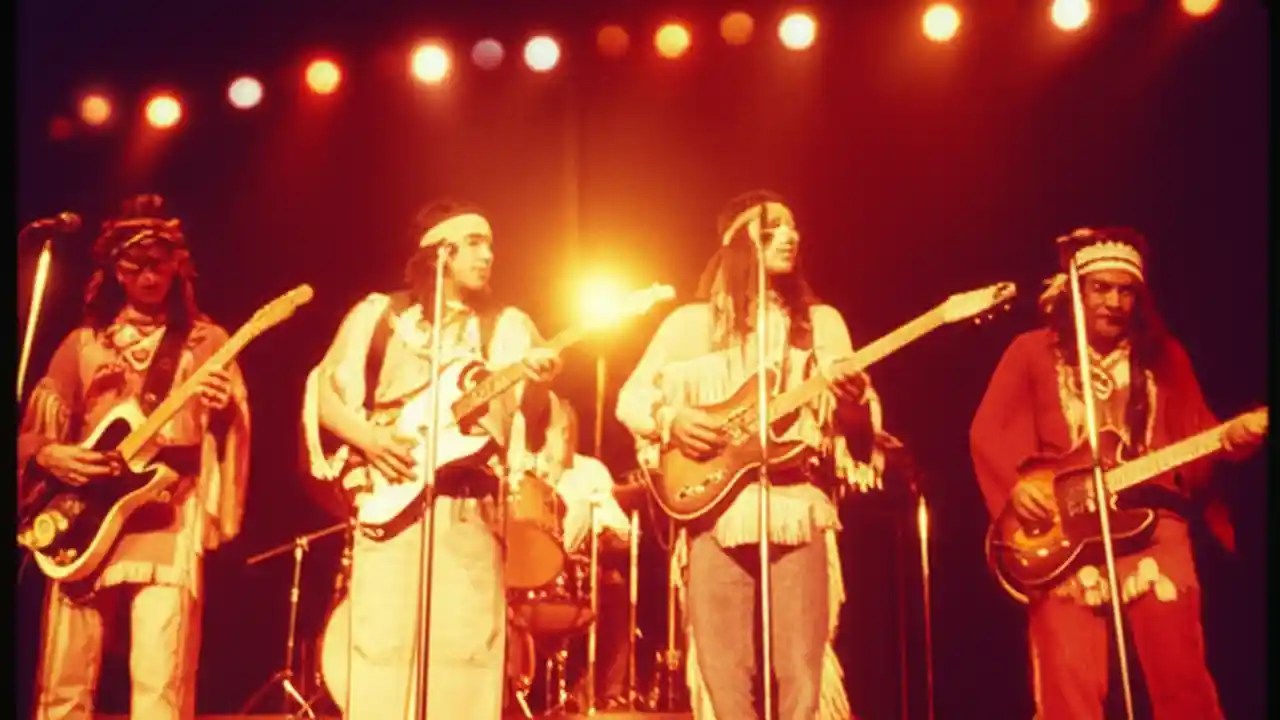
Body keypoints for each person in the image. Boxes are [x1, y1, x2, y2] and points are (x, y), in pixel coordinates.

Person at [969, 226, 1268, 720]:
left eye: (1125, 290)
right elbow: (989, 432)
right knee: (1067, 674)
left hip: (1153, 524)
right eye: (1100, 288)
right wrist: (1019, 489)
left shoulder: (1164, 358)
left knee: (1183, 673)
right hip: (1063, 532)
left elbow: (1201, 437)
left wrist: (1231, 442)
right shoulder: (1031, 352)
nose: (1113, 301)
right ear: (1077, 291)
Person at [615, 190, 884, 720]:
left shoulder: (820, 323)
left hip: (795, 502)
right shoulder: (688, 325)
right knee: (721, 665)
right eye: (773, 227)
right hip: (711, 504)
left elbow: (856, 431)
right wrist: (673, 420)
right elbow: (632, 398)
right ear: (739, 242)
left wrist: (853, 404)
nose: (791, 235)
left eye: (792, 226)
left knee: (802, 666)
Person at [300, 199, 571, 720]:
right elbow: (325, 393)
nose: (488, 254)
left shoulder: (507, 326)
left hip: (467, 507)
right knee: (383, 640)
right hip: (391, 501)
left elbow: (528, 422)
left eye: (490, 243)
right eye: (474, 242)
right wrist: (369, 440)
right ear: (439, 251)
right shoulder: (381, 314)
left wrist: (536, 386)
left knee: (466, 646)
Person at [18, 193, 252, 719]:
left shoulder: (206, 340)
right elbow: (36, 429)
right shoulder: (84, 342)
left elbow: (232, 426)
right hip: (83, 518)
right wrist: (54, 456)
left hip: (165, 513)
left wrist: (222, 412)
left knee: (160, 678)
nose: (149, 276)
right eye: (135, 264)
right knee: (65, 675)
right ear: (114, 270)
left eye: (159, 263)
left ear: (178, 267)